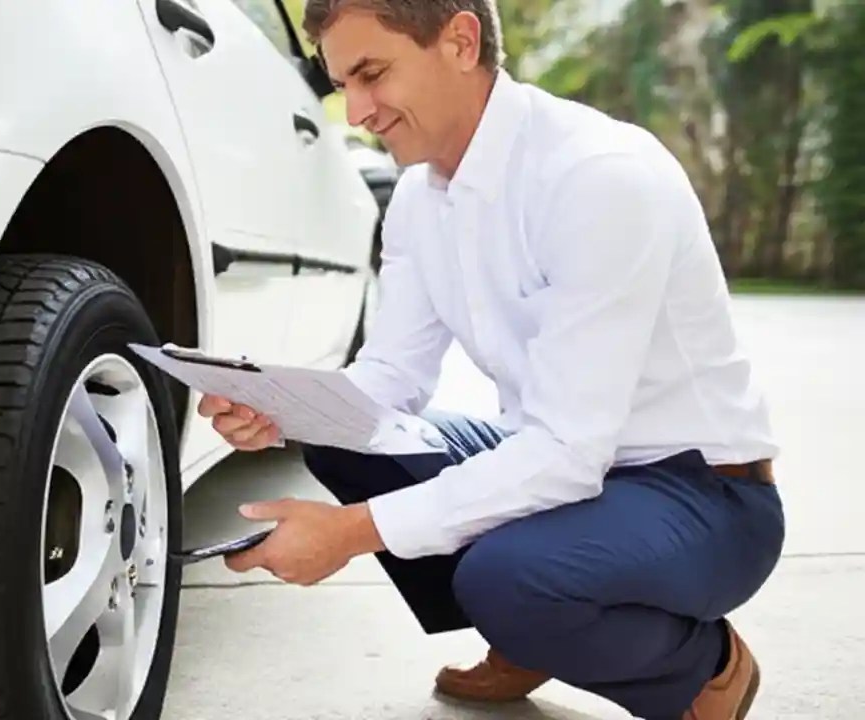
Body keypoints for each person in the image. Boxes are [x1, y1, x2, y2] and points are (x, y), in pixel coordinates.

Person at [196, 1, 785, 718]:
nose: (356, 112)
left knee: (506, 582)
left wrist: (349, 533)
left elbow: (569, 451)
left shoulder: (597, 176)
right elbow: (390, 380)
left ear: (460, 41)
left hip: (702, 497)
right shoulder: (417, 197)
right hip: (571, 465)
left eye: (372, 74)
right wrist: (284, 413)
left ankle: (701, 669)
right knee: (346, 438)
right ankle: (531, 636)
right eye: (342, 83)